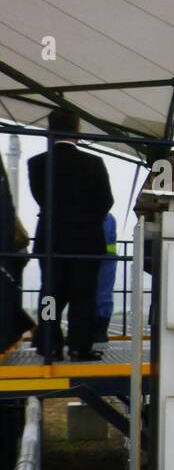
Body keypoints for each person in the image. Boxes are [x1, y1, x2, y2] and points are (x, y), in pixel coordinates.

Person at [27, 109, 113, 361]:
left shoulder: (37, 163)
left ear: (50, 130)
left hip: (51, 238)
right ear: (77, 130)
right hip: (86, 242)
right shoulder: (93, 163)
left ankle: (50, 343)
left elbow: (41, 198)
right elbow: (105, 201)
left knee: (50, 294)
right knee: (83, 296)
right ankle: (79, 346)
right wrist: (86, 222)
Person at [0, 153, 33, 353]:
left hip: (47, 252)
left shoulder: (38, 163)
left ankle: (48, 332)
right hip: (18, 253)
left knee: (52, 295)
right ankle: (48, 332)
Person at [95, 213, 117, 343]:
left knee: (51, 294)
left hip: (101, 260)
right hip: (107, 260)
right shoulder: (108, 218)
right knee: (103, 296)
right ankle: (100, 332)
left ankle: (48, 331)